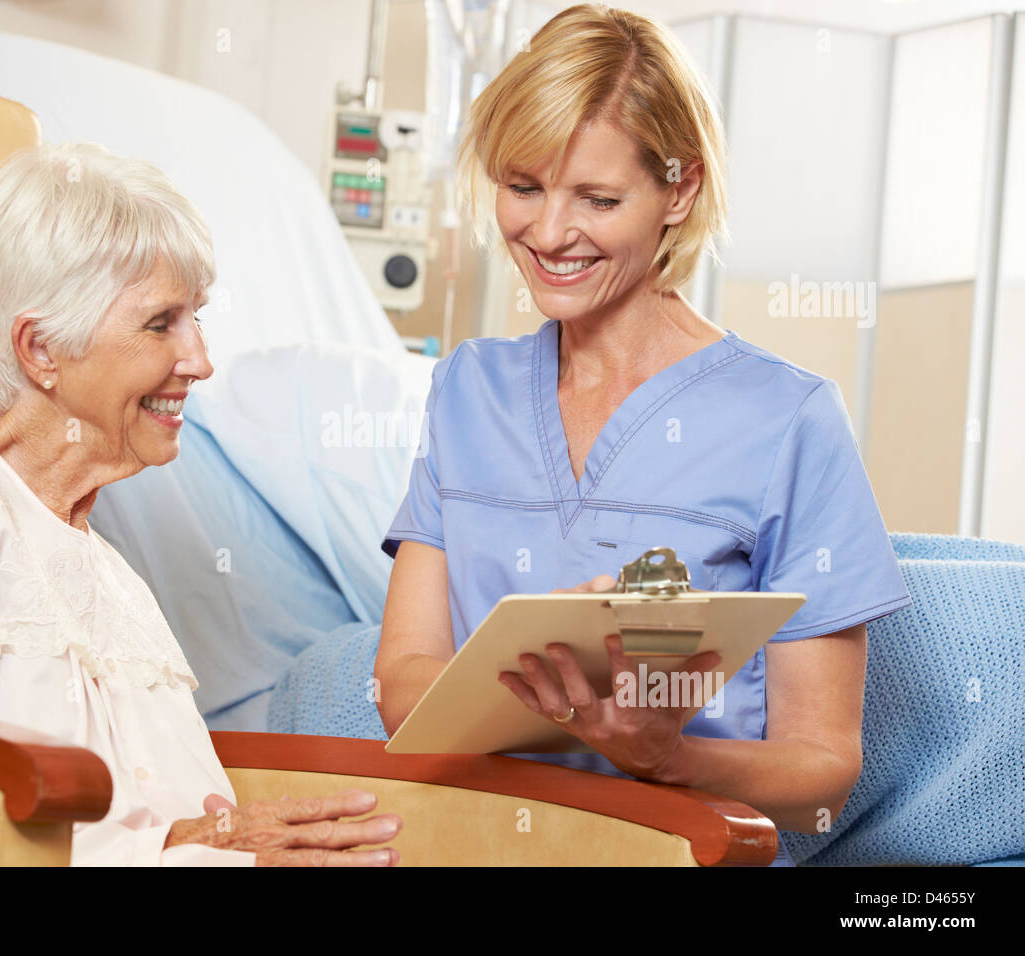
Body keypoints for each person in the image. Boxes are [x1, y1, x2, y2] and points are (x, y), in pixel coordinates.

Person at [375, 3, 912, 867]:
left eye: (598, 198)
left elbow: (822, 770)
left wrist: (664, 756)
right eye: (523, 187)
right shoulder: (466, 390)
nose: (548, 234)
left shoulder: (788, 418)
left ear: (680, 190)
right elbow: (401, 686)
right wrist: (533, 673)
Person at [0, 141, 401, 867]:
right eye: (161, 324)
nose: (200, 359)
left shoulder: (106, 571)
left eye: (197, 318)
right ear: (40, 349)